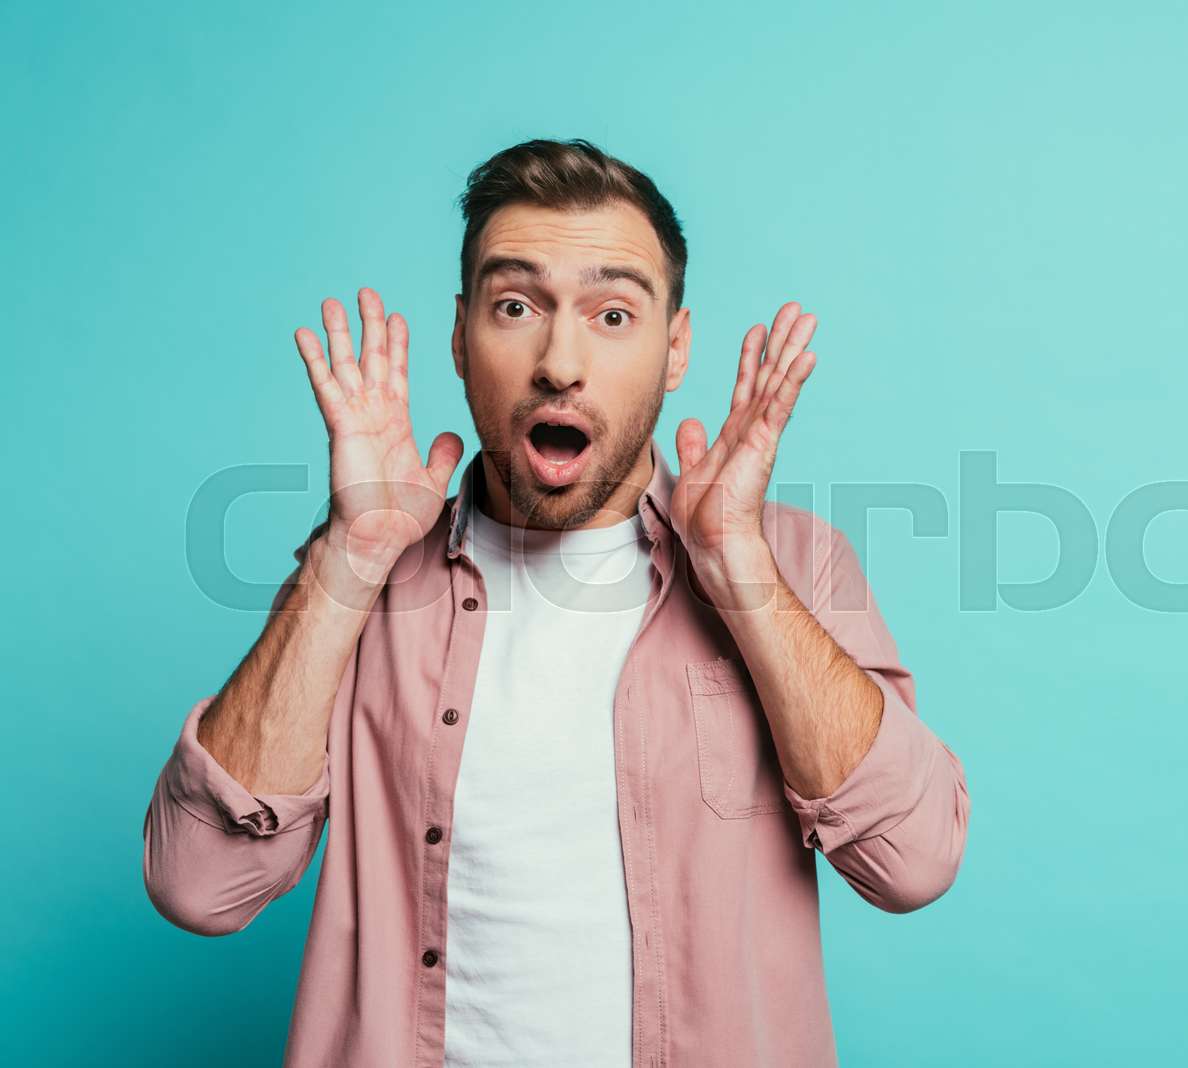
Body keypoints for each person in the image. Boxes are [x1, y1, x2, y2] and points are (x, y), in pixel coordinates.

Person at [142, 137, 970, 1068]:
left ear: (674, 350)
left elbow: (913, 863)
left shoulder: (797, 565)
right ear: (460, 338)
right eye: (515, 306)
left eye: (614, 313)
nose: (560, 362)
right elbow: (199, 886)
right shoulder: (360, 579)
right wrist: (349, 559)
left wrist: (740, 571)